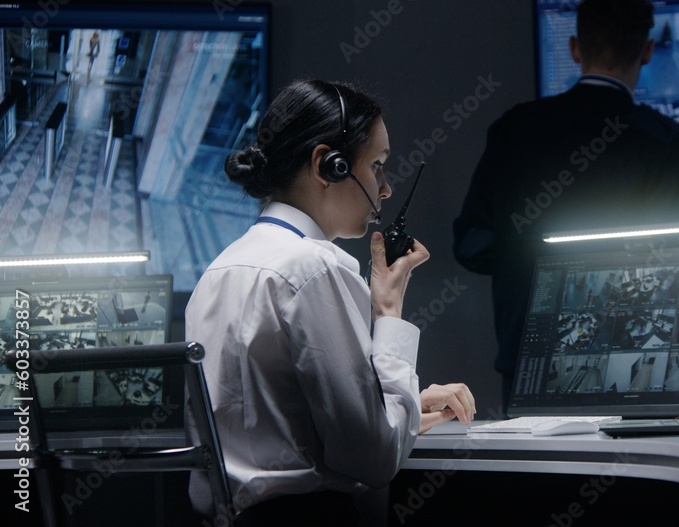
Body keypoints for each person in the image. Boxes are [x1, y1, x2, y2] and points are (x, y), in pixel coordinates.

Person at [185, 79, 476, 526]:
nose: (385, 190)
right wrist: (387, 313)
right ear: (329, 165)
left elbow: (277, 428)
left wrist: (407, 409)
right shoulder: (317, 267)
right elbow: (374, 461)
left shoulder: (219, 270)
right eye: (377, 166)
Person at [453, 0, 679, 415]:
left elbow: (471, 245)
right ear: (645, 51)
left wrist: (530, 254)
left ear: (574, 48)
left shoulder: (514, 129)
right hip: (638, 362)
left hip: (530, 362)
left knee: (544, 477)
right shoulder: (663, 140)